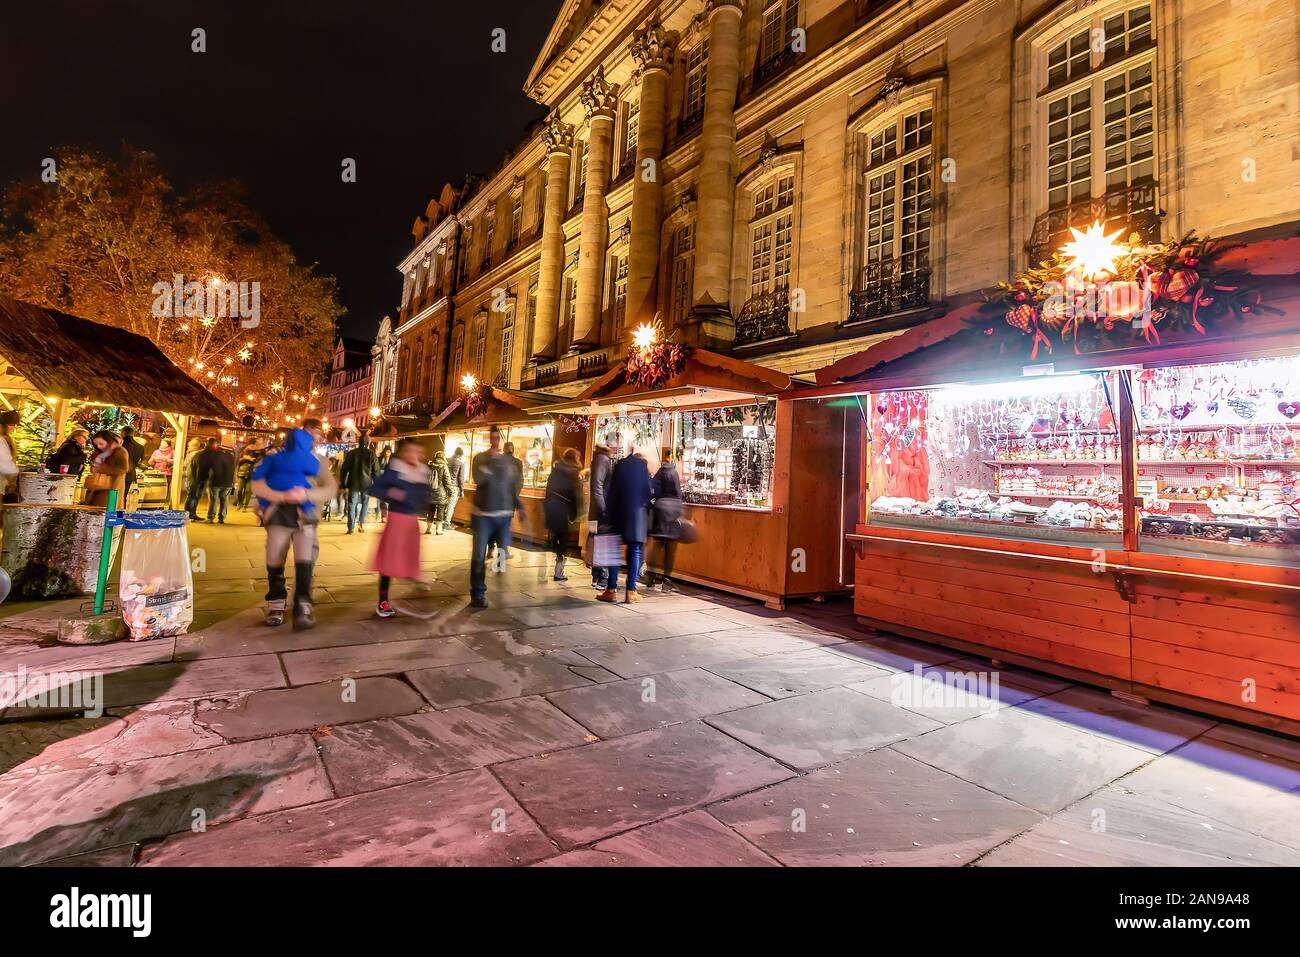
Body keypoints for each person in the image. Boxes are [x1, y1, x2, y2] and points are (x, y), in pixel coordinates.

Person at [250, 418, 336, 629]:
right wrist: (270, 501)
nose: (314, 437)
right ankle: (276, 602)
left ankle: (303, 604)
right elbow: (258, 483)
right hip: (278, 515)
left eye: (317, 433)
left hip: (307, 518)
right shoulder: (274, 457)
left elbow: (330, 489)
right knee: (275, 558)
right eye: (310, 432)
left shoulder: (321, 462)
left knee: (306, 562)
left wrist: (306, 493)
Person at [367, 438, 433, 618]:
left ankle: (415, 582)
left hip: (411, 522)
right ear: (404, 452)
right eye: (411, 451)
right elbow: (375, 489)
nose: (415, 455)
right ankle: (383, 602)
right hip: (396, 521)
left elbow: (425, 497)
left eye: (418, 452)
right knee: (389, 564)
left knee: (411, 561)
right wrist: (393, 493)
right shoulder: (395, 469)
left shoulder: (422, 471)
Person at [468, 425, 521, 608]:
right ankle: (478, 593)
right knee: (478, 555)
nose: (495, 441)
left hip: (503, 515)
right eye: (493, 438)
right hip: (483, 515)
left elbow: (513, 484)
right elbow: (479, 479)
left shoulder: (508, 462)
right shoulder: (480, 458)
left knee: (502, 553)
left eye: (498, 438)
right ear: (488, 438)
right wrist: (490, 464)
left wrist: (518, 507)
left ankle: (497, 586)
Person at [599, 438, 652, 604]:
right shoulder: (643, 467)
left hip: (619, 513)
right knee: (635, 550)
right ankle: (631, 591)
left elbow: (612, 491)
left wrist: (608, 514)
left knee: (614, 552)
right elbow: (648, 492)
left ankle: (611, 590)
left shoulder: (620, 465)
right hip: (637, 515)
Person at [543, 448, 582, 582]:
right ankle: (558, 571)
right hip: (562, 511)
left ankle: (558, 565)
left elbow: (548, 491)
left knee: (557, 537)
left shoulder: (555, 471)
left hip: (552, 508)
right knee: (563, 541)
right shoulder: (571, 472)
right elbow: (573, 495)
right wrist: (574, 513)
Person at [647, 450, 683, 592]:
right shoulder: (674, 473)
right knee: (670, 550)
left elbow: (652, 492)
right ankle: (666, 582)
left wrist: (655, 504)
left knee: (656, 547)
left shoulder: (659, 473)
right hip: (672, 512)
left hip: (660, 512)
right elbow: (678, 494)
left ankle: (651, 577)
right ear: (671, 458)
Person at [586, 438, 614, 590]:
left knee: (594, 539)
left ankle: (597, 575)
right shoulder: (602, 459)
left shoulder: (599, 458)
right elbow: (597, 485)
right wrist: (603, 509)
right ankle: (601, 577)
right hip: (598, 511)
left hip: (594, 510)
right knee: (600, 540)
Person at [339, 433, 379, 533]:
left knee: (352, 504)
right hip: (367, 484)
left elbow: (344, 469)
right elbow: (376, 472)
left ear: (359, 442)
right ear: (368, 442)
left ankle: (351, 527)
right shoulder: (371, 454)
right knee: (365, 503)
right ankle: (361, 524)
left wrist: (343, 483)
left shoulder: (352, 453)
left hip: (353, 482)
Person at [82, 430, 130, 508]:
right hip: (96, 487)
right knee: (95, 510)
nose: (98, 446)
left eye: (101, 443)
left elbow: (123, 469)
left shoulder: (119, 451)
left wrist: (101, 469)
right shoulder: (100, 452)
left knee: (106, 510)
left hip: (112, 487)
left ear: (108, 440)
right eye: (96, 444)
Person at [194, 437, 235, 523]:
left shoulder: (213, 456)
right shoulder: (230, 456)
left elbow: (209, 468)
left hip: (215, 481)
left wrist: (203, 479)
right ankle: (222, 518)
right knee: (224, 501)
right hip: (227, 482)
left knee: (213, 500)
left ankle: (211, 517)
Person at [425, 449, 454, 534]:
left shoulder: (430, 465)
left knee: (431, 510)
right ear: (443, 457)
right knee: (441, 510)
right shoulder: (444, 466)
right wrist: (451, 491)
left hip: (430, 492)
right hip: (441, 493)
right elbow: (447, 481)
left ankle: (428, 529)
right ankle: (438, 530)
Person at [235, 439, 266, 509]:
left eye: (254, 445)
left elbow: (260, 461)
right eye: (251, 445)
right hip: (242, 472)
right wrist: (246, 458)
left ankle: (245, 506)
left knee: (248, 491)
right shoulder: (242, 452)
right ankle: (239, 504)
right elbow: (238, 462)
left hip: (252, 473)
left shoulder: (258, 453)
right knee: (239, 490)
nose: (253, 447)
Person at [120, 427, 145, 501]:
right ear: (133, 434)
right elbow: (139, 462)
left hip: (119, 474)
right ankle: (121, 511)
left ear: (123, 433)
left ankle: (113, 512)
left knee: (115, 497)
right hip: (131, 475)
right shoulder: (140, 447)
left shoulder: (120, 445)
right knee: (125, 498)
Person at [445, 446, 466, 530]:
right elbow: (461, 478)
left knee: (445, 504)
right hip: (454, 486)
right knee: (451, 505)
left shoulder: (447, 460)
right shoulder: (461, 463)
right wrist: (462, 490)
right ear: (460, 455)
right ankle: (446, 523)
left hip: (445, 485)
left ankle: (441, 521)